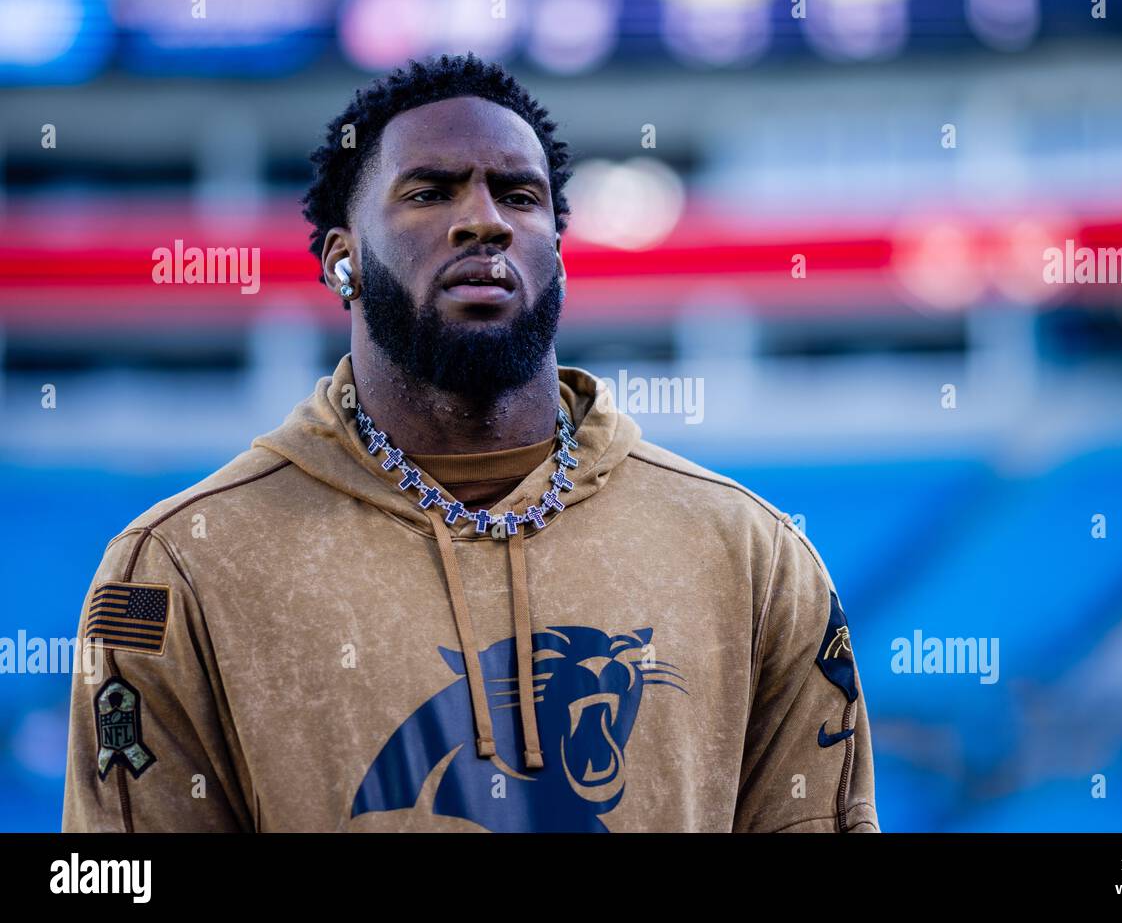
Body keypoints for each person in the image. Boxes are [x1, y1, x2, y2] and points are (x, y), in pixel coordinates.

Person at [62, 53, 879, 833]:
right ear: (343, 258)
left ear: (557, 252)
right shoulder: (178, 568)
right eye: (429, 192)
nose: (483, 220)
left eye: (520, 196)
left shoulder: (751, 555)